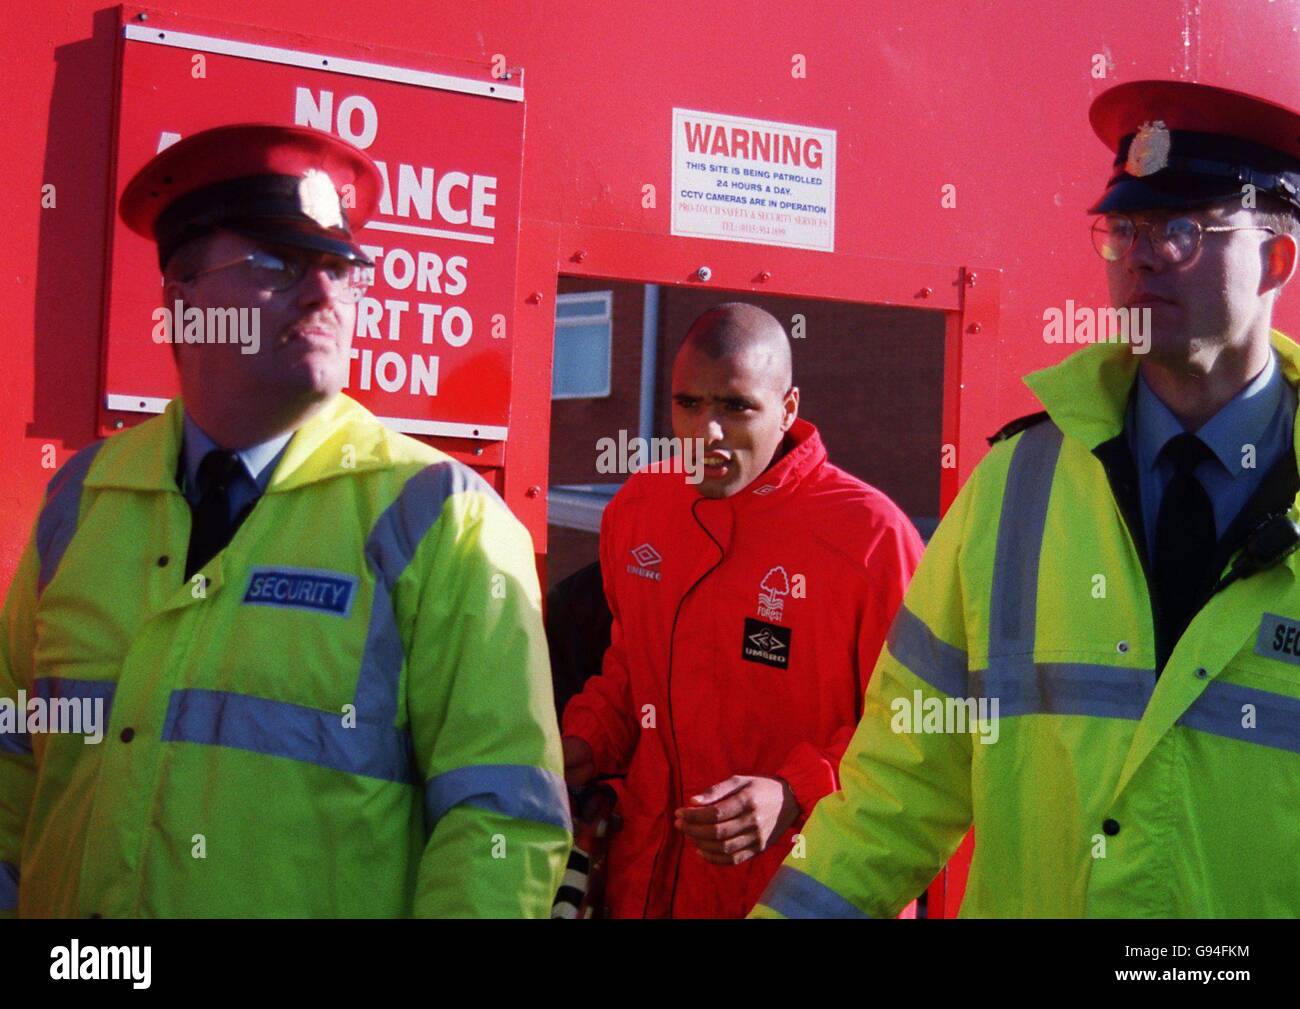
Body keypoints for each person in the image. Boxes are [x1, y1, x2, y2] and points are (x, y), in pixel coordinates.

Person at [753, 79, 1300, 919]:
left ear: (1276, 260)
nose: (1142, 256)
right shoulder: (1014, 486)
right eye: (1125, 231)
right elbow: (896, 788)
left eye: (1182, 229)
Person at [0, 124, 570, 917]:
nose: (323, 293)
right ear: (183, 300)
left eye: (342, 269)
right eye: (280, 264)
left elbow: (501, 824)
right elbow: (12, 757)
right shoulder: (81, 502)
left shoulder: (442, 520)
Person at [561, 303, 922, 917]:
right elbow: (630, 673)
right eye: (688, 403)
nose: (706, 433)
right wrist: (577, 746)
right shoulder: (641, 508)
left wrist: (794, 794)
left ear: (788, 408)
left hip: (805, 893)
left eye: (735, 406)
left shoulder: (870, 538)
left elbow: (916, 732)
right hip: (647, 885)